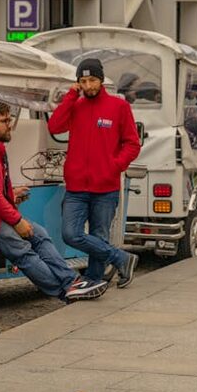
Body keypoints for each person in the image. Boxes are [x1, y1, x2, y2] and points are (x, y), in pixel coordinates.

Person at [0, 101, 109, 302]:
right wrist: (17, 221)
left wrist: (11, 194)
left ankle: (71, 282)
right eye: (5, 121)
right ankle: (65, 290)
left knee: (39, 234)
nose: (9, 126)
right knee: (22, 251)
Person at [48, 58, 142, 288]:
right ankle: (122, 259)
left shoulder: (119, 107)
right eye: (83, 81)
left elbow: (132, 144)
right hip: (76, 187)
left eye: (92, 80)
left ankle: (93, 280)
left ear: (101, 80)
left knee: (100, 237)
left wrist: (114, 165)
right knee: (70, 233)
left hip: (106, 187)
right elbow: (54, 126)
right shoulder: (75, 106)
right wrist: (71, 96)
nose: (88, 85)